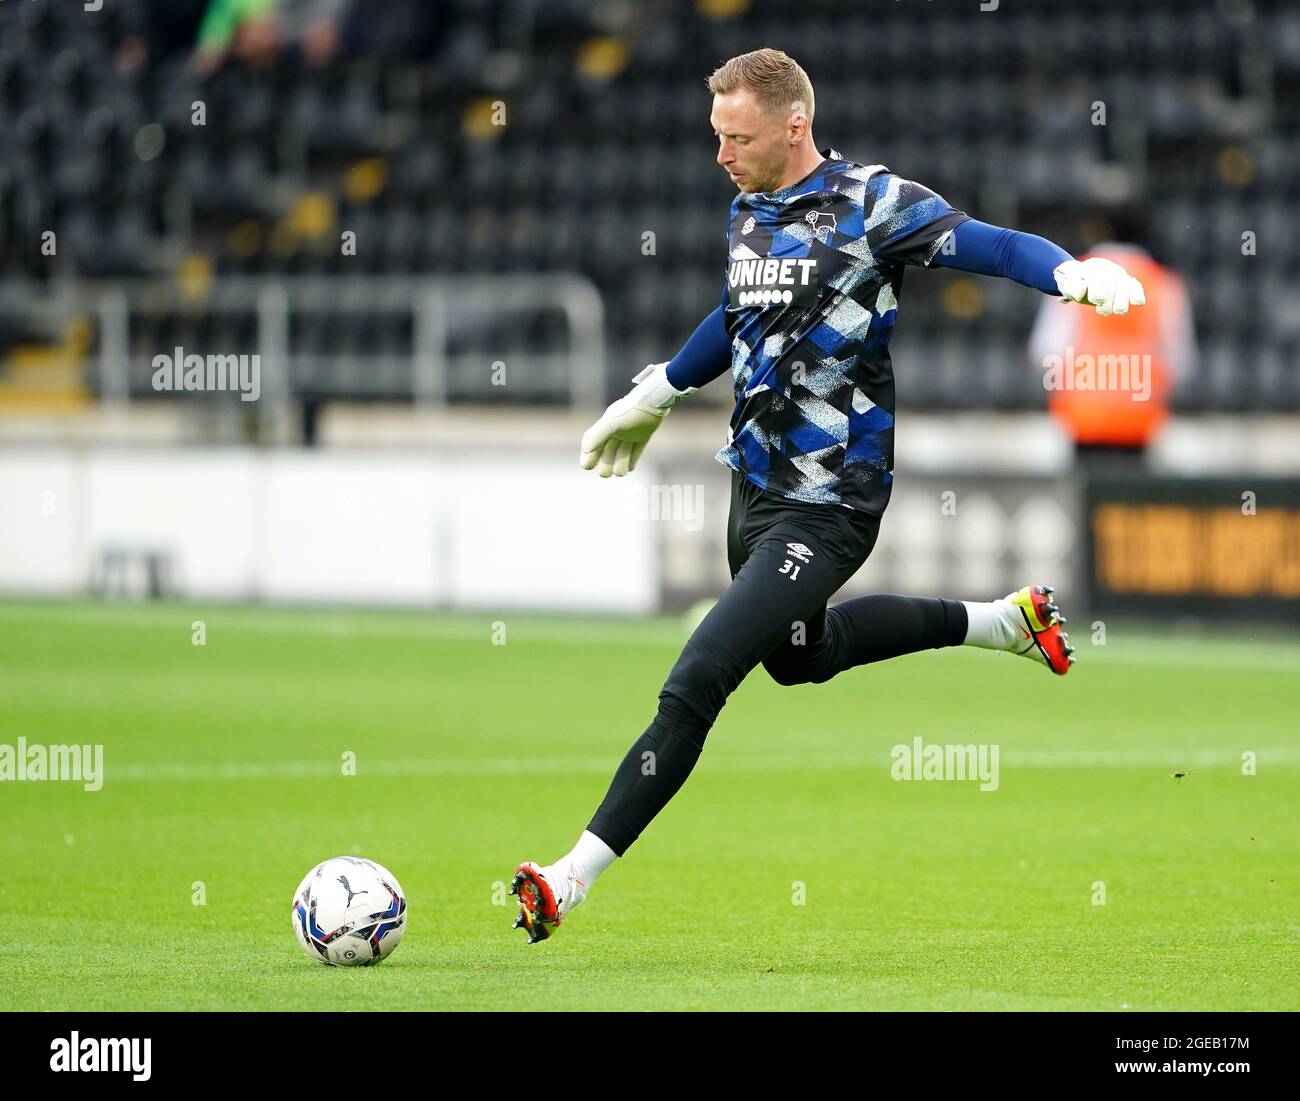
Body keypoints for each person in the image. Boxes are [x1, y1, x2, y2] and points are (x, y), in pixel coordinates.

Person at [509, 48, 1145, 943]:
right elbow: (736, 315)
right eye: (718, 137)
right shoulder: (748, 209)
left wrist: (1067, 272)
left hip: (830, 502)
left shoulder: (873, 204)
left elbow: (991, 243)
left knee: (698, 676)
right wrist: (656, 392)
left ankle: (569, 876)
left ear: (793, 123)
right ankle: (1004, 622)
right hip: (753, 491)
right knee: (801, 657)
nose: (722, 155)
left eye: (738, 138)